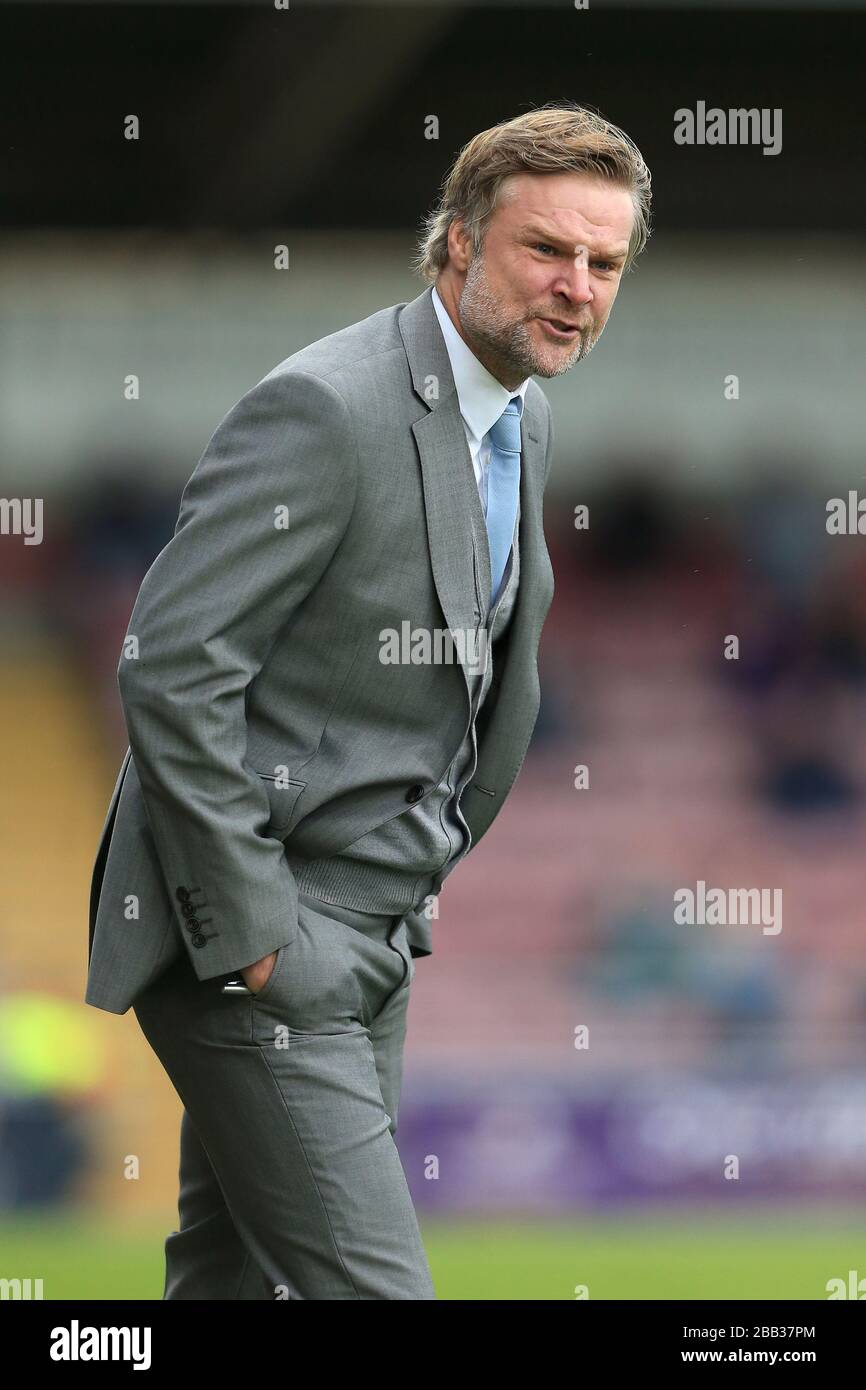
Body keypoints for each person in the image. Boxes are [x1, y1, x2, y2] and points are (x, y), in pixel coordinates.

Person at [85, 101, 651, 1300]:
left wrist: (396, 896)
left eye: (602, 263)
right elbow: (173, 661)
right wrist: (255, 943)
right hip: (263, 943)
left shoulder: (521, 416)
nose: (575, 286)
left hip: (370, 936)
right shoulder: (328, 409)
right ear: (455, 241)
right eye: (543, 249)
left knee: (230, 1281)